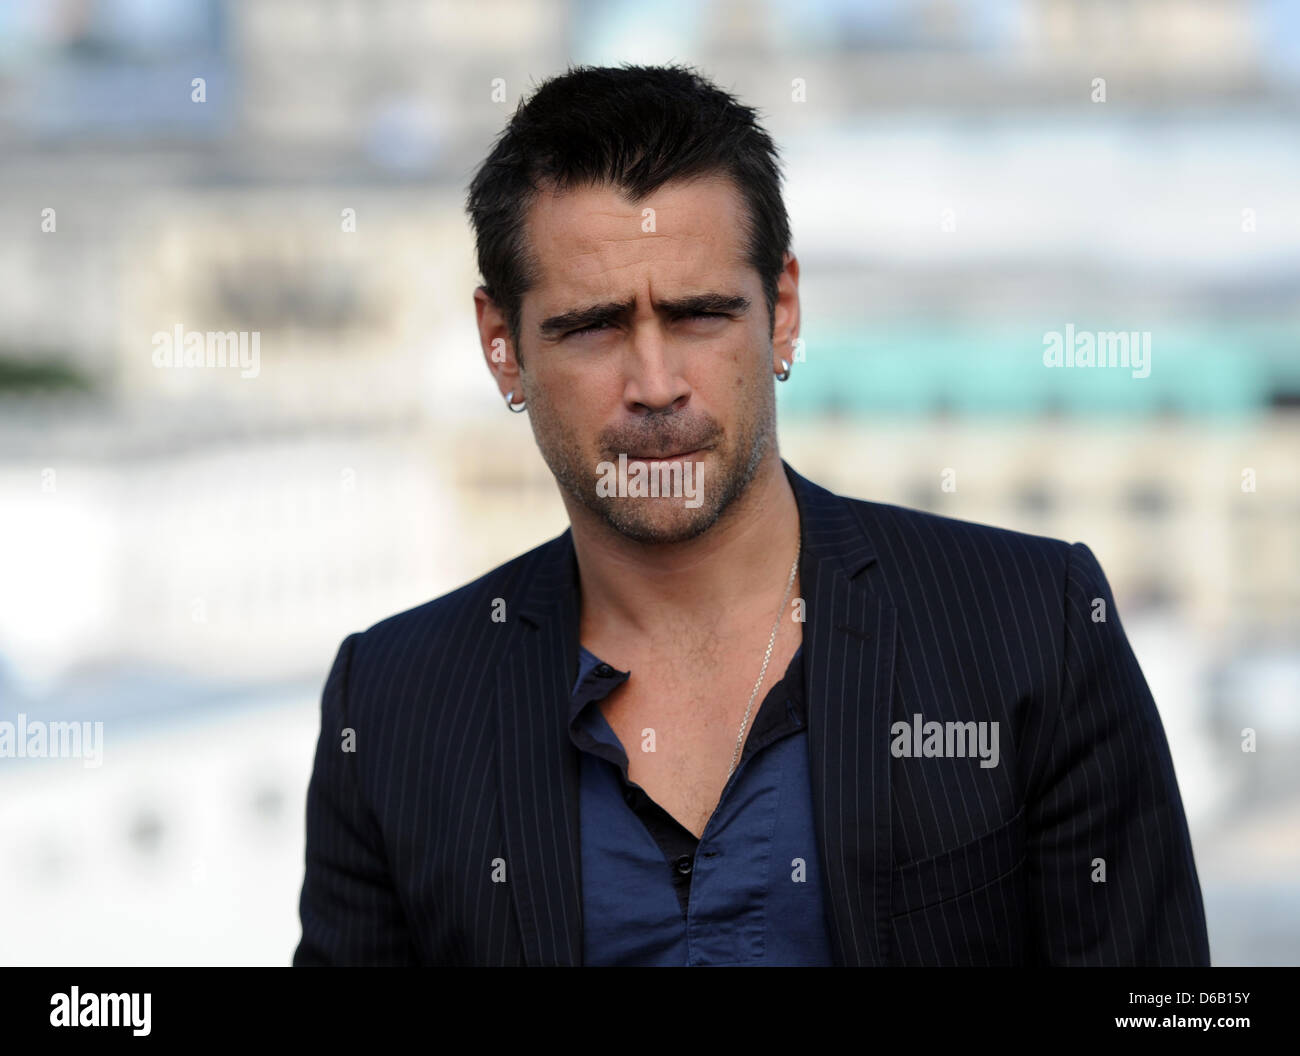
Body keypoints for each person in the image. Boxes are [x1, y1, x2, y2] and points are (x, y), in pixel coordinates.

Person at [293, 63, 1210, 966]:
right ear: (503, 348)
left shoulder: (1031, 627)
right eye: (594, 327)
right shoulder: (392, 708)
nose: (656, 387)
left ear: (783, 310)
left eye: (700, 316)